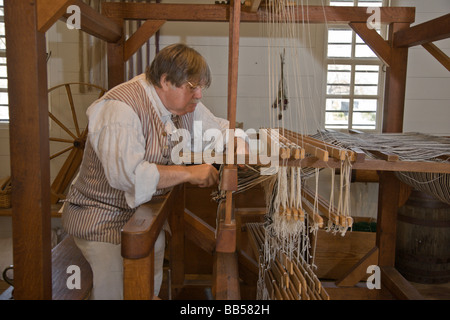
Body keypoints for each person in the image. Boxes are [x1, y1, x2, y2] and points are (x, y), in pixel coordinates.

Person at [62, 43, 230, 300]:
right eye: (192, 87)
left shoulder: (182, 106)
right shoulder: (120, 109)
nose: (199, 95)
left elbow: (217, 133)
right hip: (100, 221)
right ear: (165, 81)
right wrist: (187, 173)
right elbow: (128, 176)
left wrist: (246, 146)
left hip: (143, 217)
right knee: (115, 292)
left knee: (146, 284)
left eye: (201, 88)